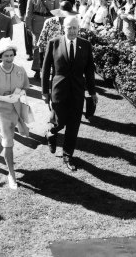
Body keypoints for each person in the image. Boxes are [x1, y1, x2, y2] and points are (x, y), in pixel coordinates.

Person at [42, 16, 97, 171]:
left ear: (78, 29)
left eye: (75, 28)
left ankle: (68, 156)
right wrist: (45, 92)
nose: (72, 31)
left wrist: (92, 92)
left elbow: (89, 71)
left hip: (77, 92)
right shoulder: (54, 43)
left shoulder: (85, 45)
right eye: (69, 28)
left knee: (73, 125)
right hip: (59, 91)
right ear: (63, 28)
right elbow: (45, 70)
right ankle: (51, 133)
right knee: (60, 122)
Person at [0, 38, 30, 190]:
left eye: (11, 55)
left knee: (5, 139)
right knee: (9, 142)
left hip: (14, 111)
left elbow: (25, 87)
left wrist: (17, 95)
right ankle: (12, 175)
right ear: (0, 56)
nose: (9, 58)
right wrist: (3, 98)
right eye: (6, 56)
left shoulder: (20, 70)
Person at [25, 0, 60, 79]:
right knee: (37, 46)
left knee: (50, 47)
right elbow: (29, 11)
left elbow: (57, 11)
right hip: (37, 23)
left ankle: (49, 69)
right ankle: (37, 70)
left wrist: (58, 25)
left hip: (50, 23)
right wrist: (28, 26)